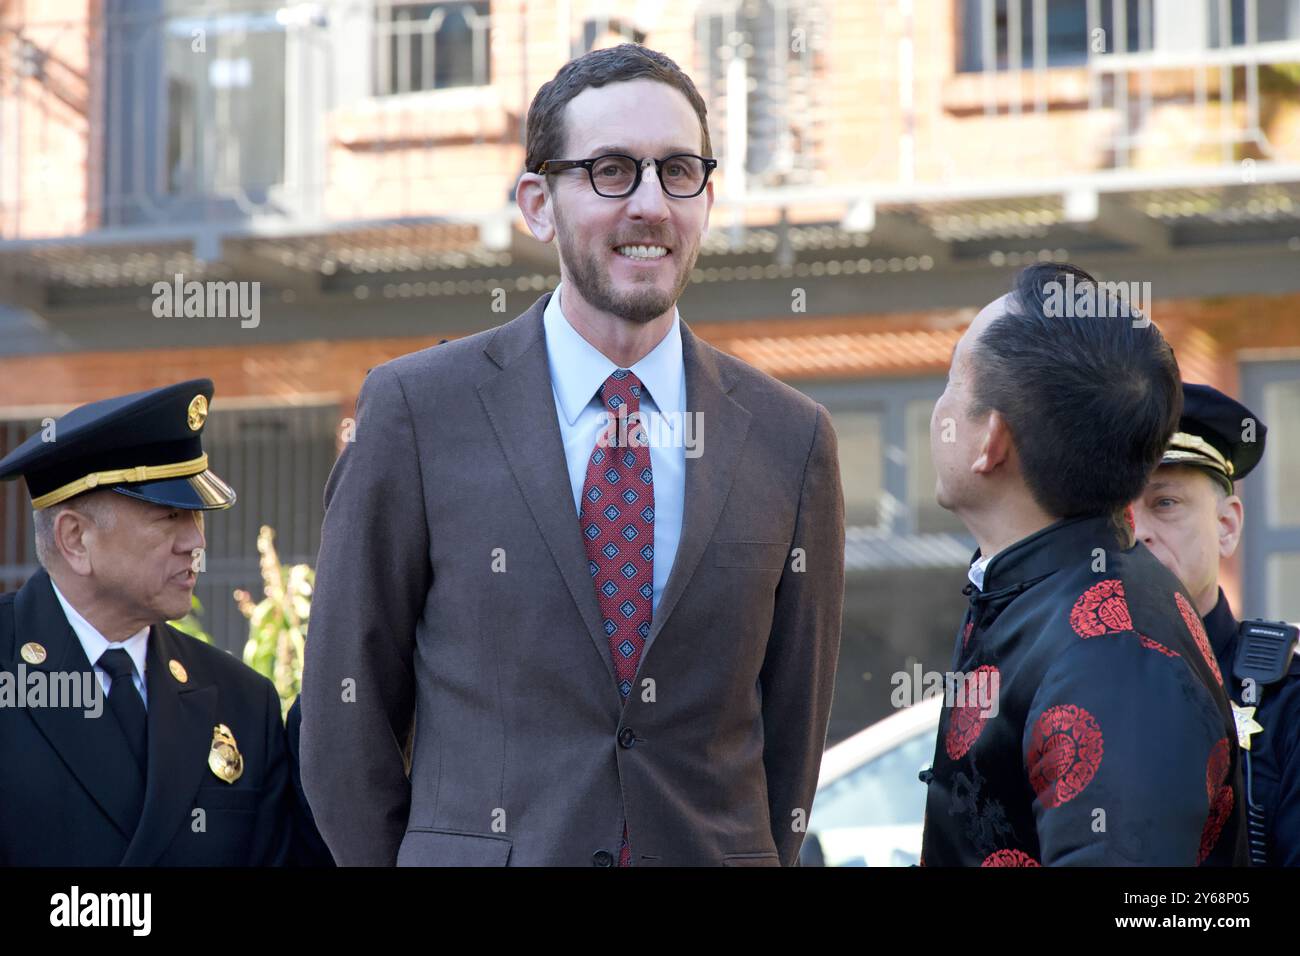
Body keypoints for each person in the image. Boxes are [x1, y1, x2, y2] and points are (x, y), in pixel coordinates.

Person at [299, 43, 846, 867]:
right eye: (613, 171)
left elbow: (793, 739)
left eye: (679, 171)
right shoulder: (417, 412)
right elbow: (347, 718)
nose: (652, 205)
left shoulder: (790, 438)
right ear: (537, 203)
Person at [919, 264, 1246, 866]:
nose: (935, 407)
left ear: (992, 439)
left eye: (951, 382)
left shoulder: (1114, 651)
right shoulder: (1030, 590)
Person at [0, 379, 295, 865]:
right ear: (75, 539)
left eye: (197, 518)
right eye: (169, 516)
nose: (195, 543)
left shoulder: (244, 701)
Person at [1133, 382, 1299, 866]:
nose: (1138, 531)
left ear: (1226, 527)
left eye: (1164, 503)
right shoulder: (1058, 685)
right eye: (1116, 512)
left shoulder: (1286, 701)